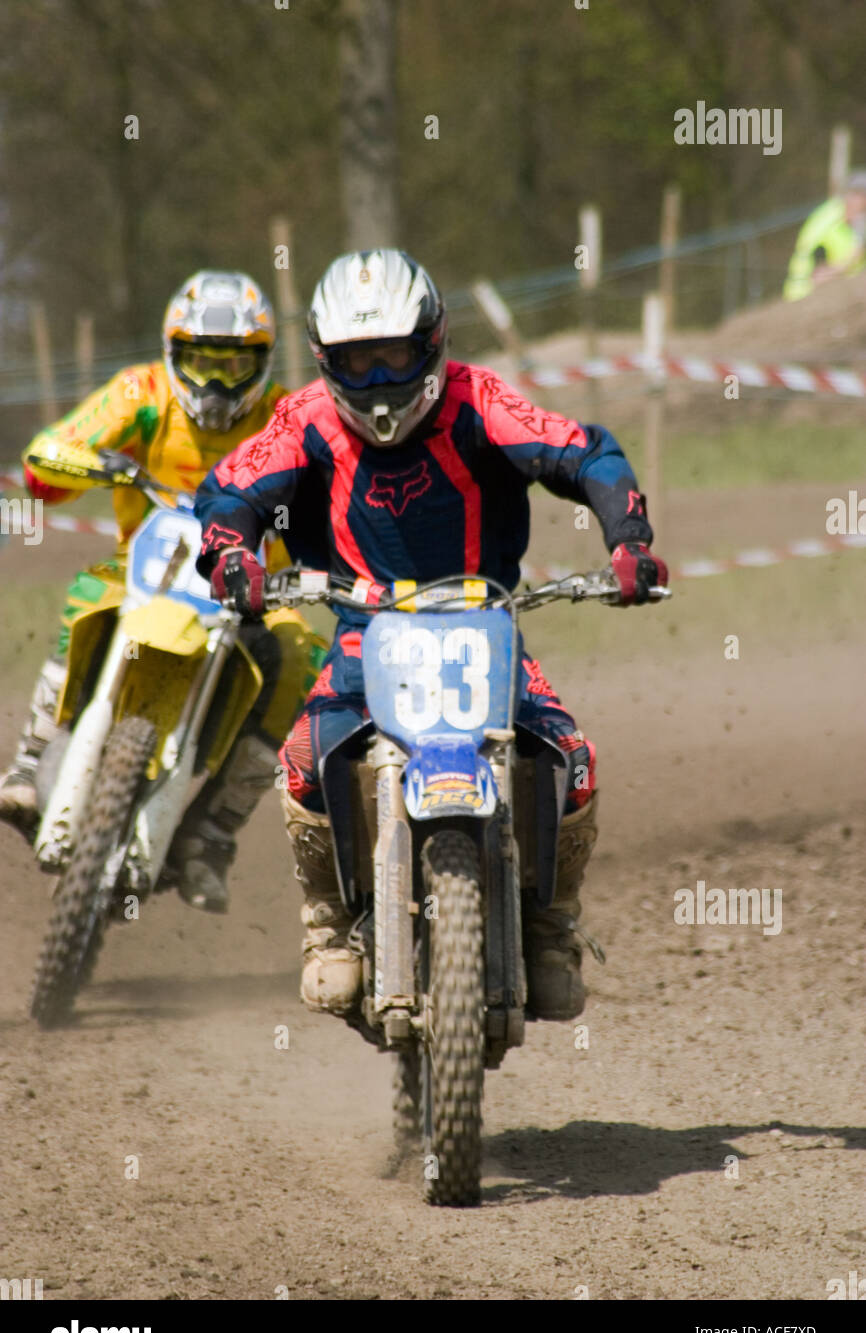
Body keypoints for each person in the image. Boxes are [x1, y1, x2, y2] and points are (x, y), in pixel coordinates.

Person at [194, 248, 668, 1021]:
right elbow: (233, 490)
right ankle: (327, 928)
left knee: (572, 758)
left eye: (394, 357)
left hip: (485, 631)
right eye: (357, 362)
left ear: (433, 343)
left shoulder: (479, 400)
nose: (379, 381)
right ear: (324, 360)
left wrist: (627, 541)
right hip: (361, 637)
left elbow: (583, 455)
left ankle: (551, 926)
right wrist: (232, 554)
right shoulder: (306, 416)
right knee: (302, 763)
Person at [0, 269, 324, 912]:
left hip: (256, 587)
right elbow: (46, 455)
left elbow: (339, 489)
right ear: (174, 353)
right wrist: (94, 463)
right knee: (86, 592)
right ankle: (31, 763)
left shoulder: (288, 415)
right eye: (201, 362)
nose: (215, 382)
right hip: (142, 568)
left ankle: (214, 832)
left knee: (300, 659)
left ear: (260, 362)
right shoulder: (141, 393)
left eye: (233, 366)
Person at [783, 170, 866, 301]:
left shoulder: (855, 221)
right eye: (862, 196)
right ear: (851, 196)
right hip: (806, 292)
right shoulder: (830, 219)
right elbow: (812, 256)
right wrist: (833, 271)